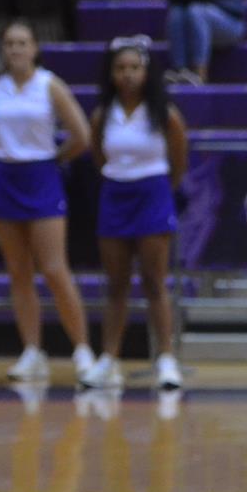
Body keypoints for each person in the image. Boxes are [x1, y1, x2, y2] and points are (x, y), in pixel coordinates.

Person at [0, 22, 99, 386]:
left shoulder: (49, 85)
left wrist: (53, 157)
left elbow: (81, 135)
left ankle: (83, 350)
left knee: (54, 268)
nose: (15, 49)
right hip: (6, 178)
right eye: (9, 44)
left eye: (22, 43)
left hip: (42, 176)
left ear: (35, 48)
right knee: (19, 271)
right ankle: (32, 351)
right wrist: (2, 155)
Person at [85, 37, 188, 391]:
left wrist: (160, 188)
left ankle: (167, 360)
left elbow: (179, 161)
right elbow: (98, 155)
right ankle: (108, 360)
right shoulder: (101, 114)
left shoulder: (165, 114)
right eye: (121, 68)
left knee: (154, 283)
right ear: (111, 74)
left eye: (135, 68)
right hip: (115, 195)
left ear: (147, 72)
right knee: (116, 285)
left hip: (153, 194)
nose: (128, 75)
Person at [159, 0, 246, 84]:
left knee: (196, 11)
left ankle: (200, 74)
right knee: (176, 12)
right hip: (190, 18)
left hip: (230, 21)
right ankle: (180, 71)